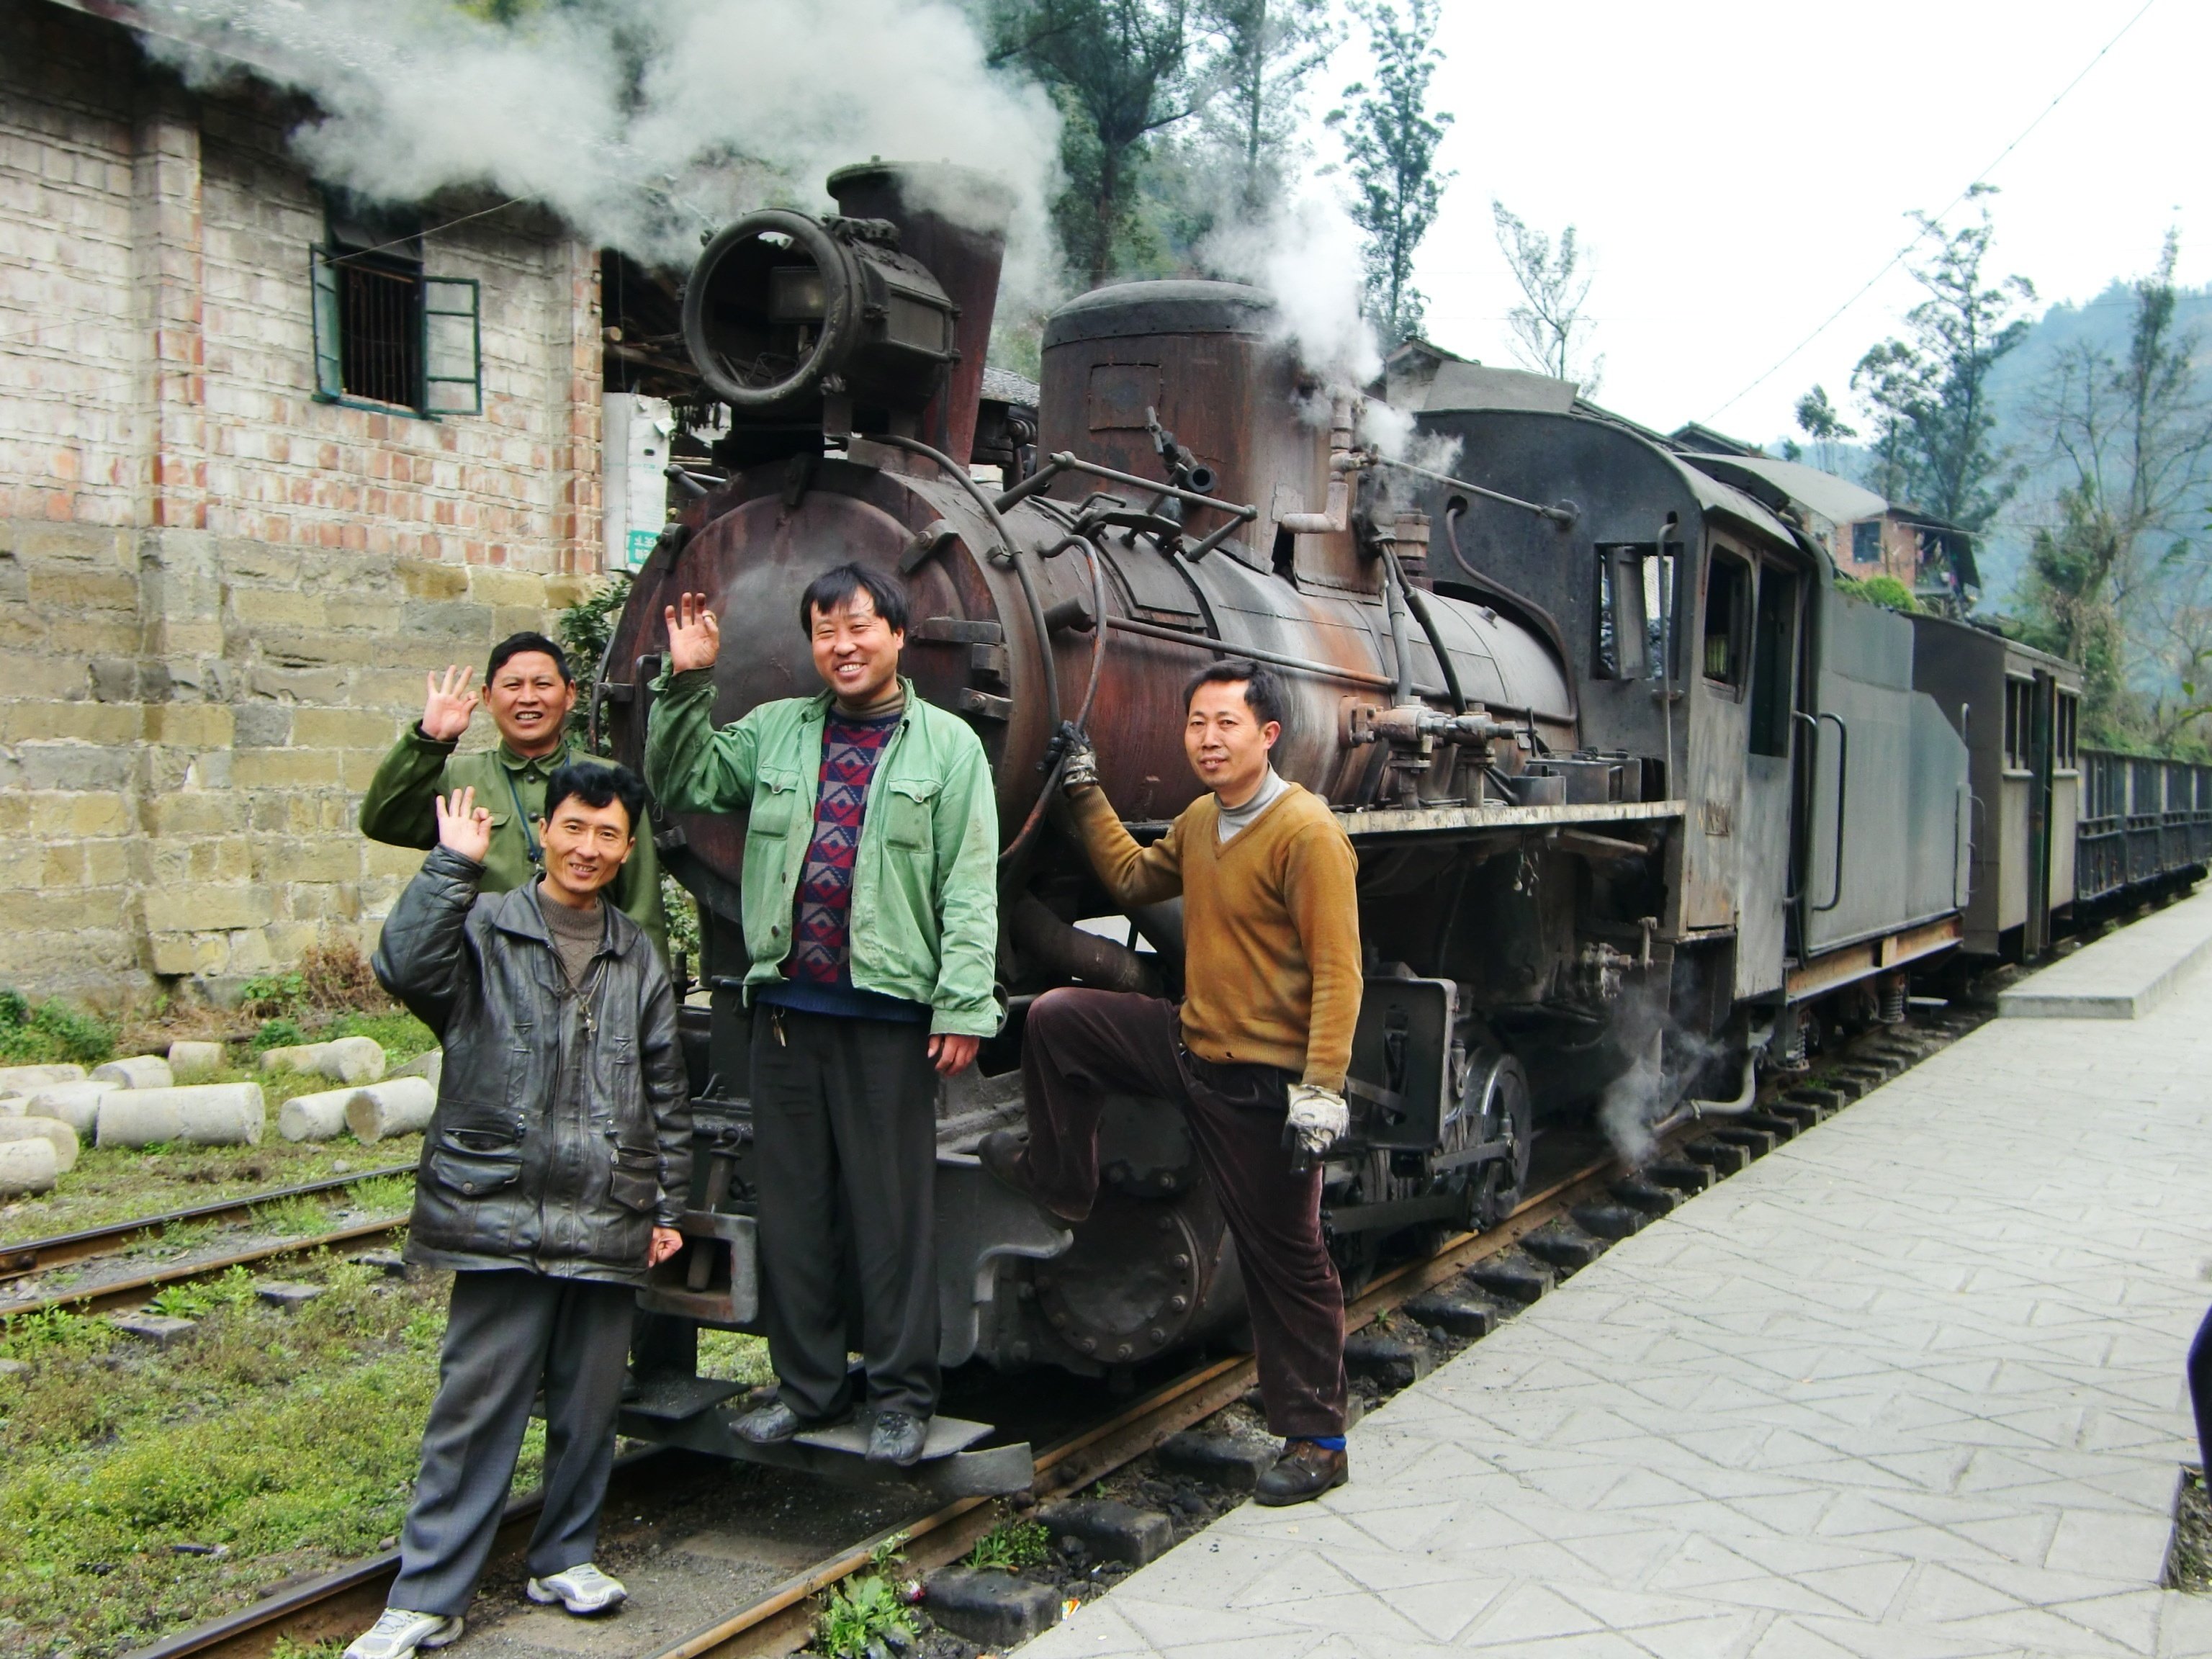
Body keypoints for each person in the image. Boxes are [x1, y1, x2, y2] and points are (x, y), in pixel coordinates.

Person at [981, 661, 1362, 1506]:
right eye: (1197, 723)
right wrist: (1084, 789)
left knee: (1286, 1259)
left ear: (1268, 735)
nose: (1208, 739)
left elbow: (1341, 971)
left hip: (1263, 1084)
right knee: (1060, 1019)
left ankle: (1317, 1439)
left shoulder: (1308, 834)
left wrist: (1323, 1088)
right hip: (1188, 1045)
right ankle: (1065, 1179)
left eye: (1226, 723)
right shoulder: (1202, 820)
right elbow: (1129, 879)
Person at [644, 565, 999, 1467]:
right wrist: (687, 681)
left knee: (891, 1216)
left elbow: (969, 886)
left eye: (859, 627)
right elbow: (680, 777)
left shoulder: (948, 748)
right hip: (787, 1014)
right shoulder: (775, 734)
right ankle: (806, 1391)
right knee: (797, 1213)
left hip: (887, 1019)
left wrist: (962, 1001)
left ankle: (900, 1396)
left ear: (897, 635)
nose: (843, 646)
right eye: (825, 631)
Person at [346, 762, 689, 1659]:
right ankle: (428, 1594)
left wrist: (669, 1202)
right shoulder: (484, 928)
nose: (588, 848)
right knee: (478, 1404)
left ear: (624, 849)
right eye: (575, 828)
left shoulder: (636, 952)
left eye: (608, 835)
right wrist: (449, 867)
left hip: (608, 1205)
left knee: (589, 1403)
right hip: (499, 1201)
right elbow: (402, 967)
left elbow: (665, 1088)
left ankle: (565, 1556)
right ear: (544, 830)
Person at [361, 631, 669, 960]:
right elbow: (383, 821)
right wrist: (429, 741)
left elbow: (642, 906)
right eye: (512, 686)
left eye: (542, 684)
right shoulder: (459, 780)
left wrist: (649, 999)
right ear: (488, 697)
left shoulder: (612, 781)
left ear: (569, 694)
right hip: (484, 971)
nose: (528, 698)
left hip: (586, 972)